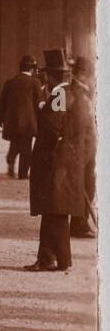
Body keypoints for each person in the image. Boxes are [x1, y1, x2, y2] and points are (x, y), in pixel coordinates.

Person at [28, 50, 90, 273]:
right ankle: (50, 258)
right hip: (65, 162)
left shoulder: (59, 96)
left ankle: (56, 259)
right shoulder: (70, 94)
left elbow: (54, 128)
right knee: (54, 210)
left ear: (50, 75)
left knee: (55, 211)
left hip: (55, 163)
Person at [0, 55, 41, 180]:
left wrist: (0, 119)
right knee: (26, 148)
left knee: (15, 142)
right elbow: (39, 104)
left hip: (12, 122)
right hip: (28, 122)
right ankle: (23, 173)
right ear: (31, 69)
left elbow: (2, 103)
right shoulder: (35, 83)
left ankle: (11, 159)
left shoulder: (9, 82)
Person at [70, 56, 96, 238]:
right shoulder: (76, 92)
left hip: (87, 148)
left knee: (88, 185)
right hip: (81, 148)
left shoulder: (84, 91)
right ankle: (79, 224)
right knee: (83, 187)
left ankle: (81, 222)